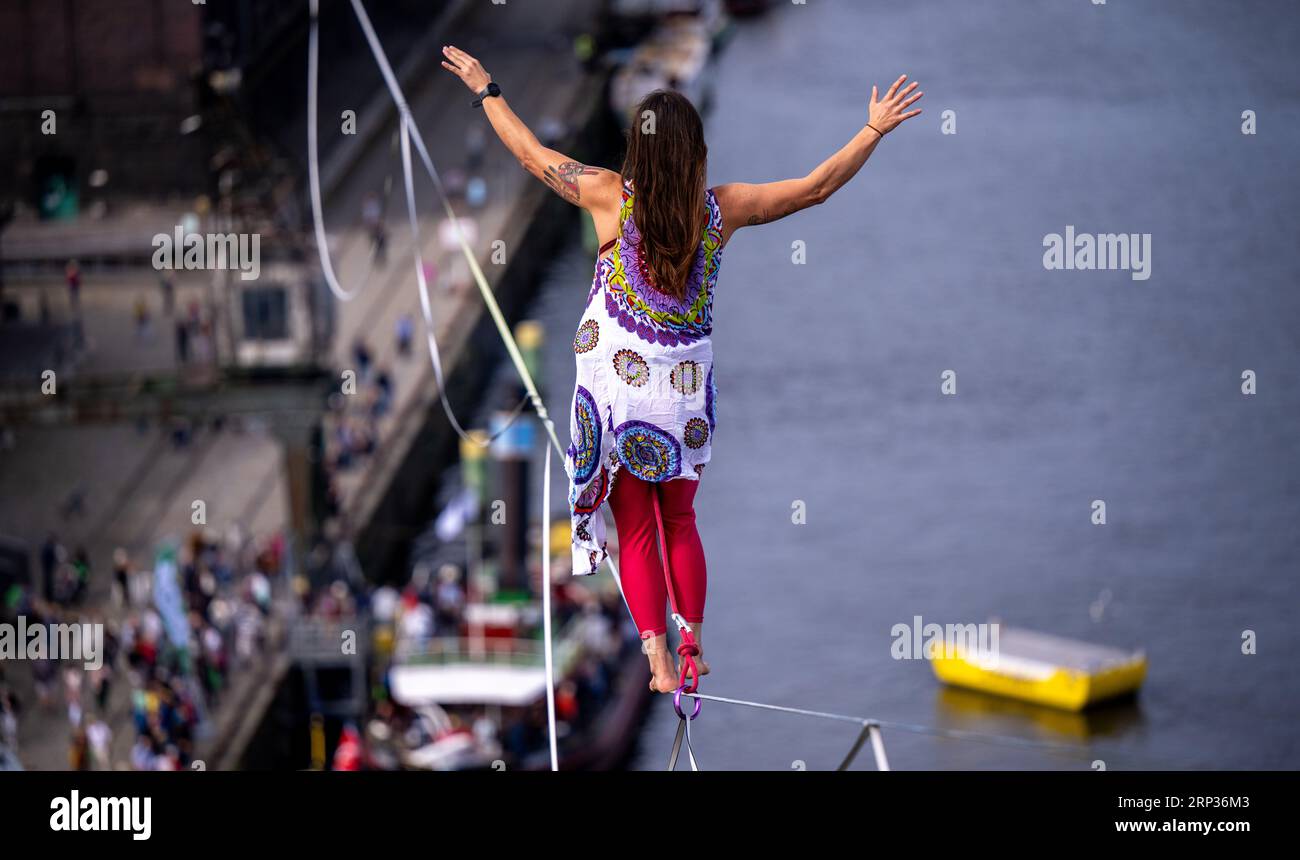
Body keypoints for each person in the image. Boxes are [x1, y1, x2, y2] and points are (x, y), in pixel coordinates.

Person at [441, 46, 922, 692]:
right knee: (680, 523)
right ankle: (693, 642)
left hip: (624, 398)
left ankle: (658, 658)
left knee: (635, 526)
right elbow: (816, 188)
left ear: (637, 154)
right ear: (696, 154)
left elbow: (530, 154)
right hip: (682, 403)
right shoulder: (720, 213)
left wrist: (486, 87)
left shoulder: (610, 197)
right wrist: (871, 130)